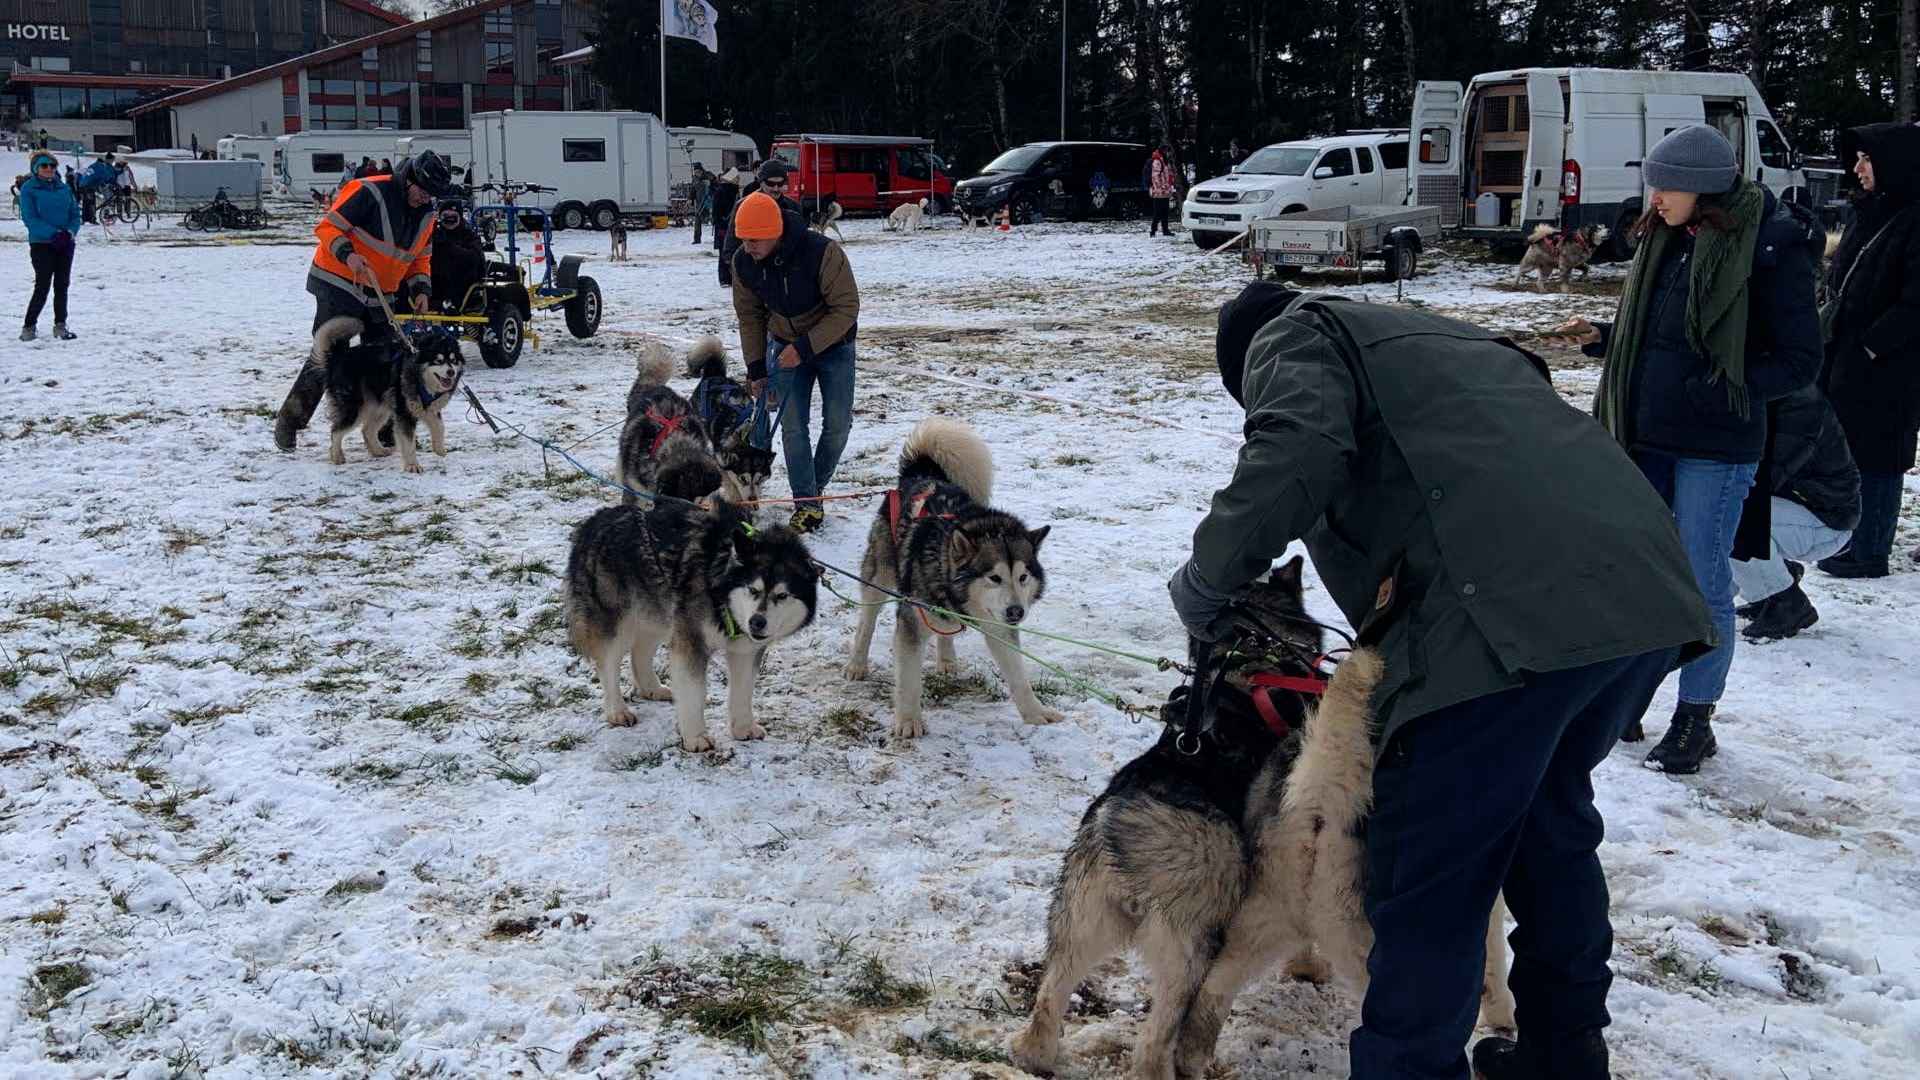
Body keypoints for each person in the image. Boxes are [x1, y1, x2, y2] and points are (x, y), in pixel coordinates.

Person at [1168, 284, 1712, 1080]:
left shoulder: (1292, 334)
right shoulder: (1433, 340)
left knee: (1433, 873)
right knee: (1548, 825)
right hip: (1641, 595)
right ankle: (1566, 1055)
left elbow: (1297, 452)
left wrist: (1205, 583)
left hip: (1508, 622)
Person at [1556, 124, 1822, 774]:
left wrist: (1724, 388)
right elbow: (1667, 331)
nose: (1655, 198)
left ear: (1701, 188)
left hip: (1716, 446)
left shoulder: (1771, 247)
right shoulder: (1670, 241)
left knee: (1701, 584)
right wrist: (1607, 337)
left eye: (1665, 186)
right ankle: (1627, 701)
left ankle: (1694, 719)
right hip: (1649, 436)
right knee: (1641, 577)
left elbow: (1800, 360)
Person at [272, 151, 454, 452]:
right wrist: (350, 255)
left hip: (381, 293)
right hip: (338, 281)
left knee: (387, 360)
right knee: (331, 357)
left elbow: (421, 258)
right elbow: (328, 227)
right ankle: (291, 420)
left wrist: (421, 289)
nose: (425, 199)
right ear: (408, 179)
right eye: (422, 191)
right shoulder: (370, 191)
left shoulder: (426, 215)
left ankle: (386, 430)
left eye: (430, 196)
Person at [1814, 122, 1920, 578]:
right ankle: (1850, 539)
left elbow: (1917, 302)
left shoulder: (1916, 218)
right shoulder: (1868, 211)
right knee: (1852, 448)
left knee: (1880, 455)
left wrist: (1875, 345)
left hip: (1889, 362)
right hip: (1848, 352)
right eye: (1855, 157)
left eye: (1867, 159)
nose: (1856, 168)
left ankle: (1870, 549)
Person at [729, 191, 860, 533]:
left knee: (837, 425)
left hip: (834, 346)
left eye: (755, 239)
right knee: (792, 427)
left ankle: (814, 488)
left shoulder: (822, 253)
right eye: (743, 239)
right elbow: (750, 315)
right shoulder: (744, 263)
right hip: (784, 347)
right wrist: (756, 367)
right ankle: (806, 503)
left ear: (775, 232)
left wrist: (804, 347)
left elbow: (846, 309)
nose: (748, 246)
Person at [1732, 384, 1860, 640]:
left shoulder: (1799, 407)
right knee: (1728, 515)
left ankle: (1787, 603)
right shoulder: (1774, 397)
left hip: (1827, 520)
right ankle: (1773, 584)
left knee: (1736, 522)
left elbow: (1768, 475)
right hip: (1801, 508)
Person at [19, 151, 82, 342]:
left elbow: (74, 214)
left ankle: (60, 325)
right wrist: (53, 234)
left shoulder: (63, 188)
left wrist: (69, 232)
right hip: (42, 244)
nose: (48, 169)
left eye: (52, 166)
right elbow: (30, 218)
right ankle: (29, 326)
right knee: (43, 285)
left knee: (62, 285)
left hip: (65, 243)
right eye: (44, 166)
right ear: (36, 168)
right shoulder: (29, 189)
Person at [721, 161, 802, 286]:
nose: (776, 188)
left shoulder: (793, 206)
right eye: (771, 183)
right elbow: (731, 245)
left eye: (780, 183)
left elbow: (802, 240)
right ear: (761, 182)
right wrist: (741, 272)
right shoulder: (744, 206)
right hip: (755, 274)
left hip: (787, 275)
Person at [429, 203, 486, 314]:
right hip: (434, 279)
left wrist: (448, 246)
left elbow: (474, 258)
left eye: (453, 217)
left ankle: (449, 304)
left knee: (456, 269)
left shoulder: (468, 235)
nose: (449, 220)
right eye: (446, 216)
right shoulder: (433, 233)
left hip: (462, 281)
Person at [1148, 146, 1177, 236]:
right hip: (1159, 191)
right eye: (1168, 152)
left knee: (1164, 211)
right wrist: (1162, 187)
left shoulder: (1164, 161)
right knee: (1158, 212)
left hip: (1165, 191)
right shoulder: (1158, 161)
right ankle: (1153, 230)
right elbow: (1155, 177)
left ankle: (1165, 230)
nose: (1169, 154)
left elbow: (1167, 174)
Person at [689, 163, 711, 245]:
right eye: (695, 172)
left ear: (702, 170)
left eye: (698, 171)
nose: (697, 173)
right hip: (699, 202)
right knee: (697, 220)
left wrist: (709, 182)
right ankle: (697, 239)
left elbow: (715, 183)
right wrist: (690, 199)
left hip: (709, 202)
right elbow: (693, 190)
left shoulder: (708, 175)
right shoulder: (695, 179)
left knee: (712, 219)